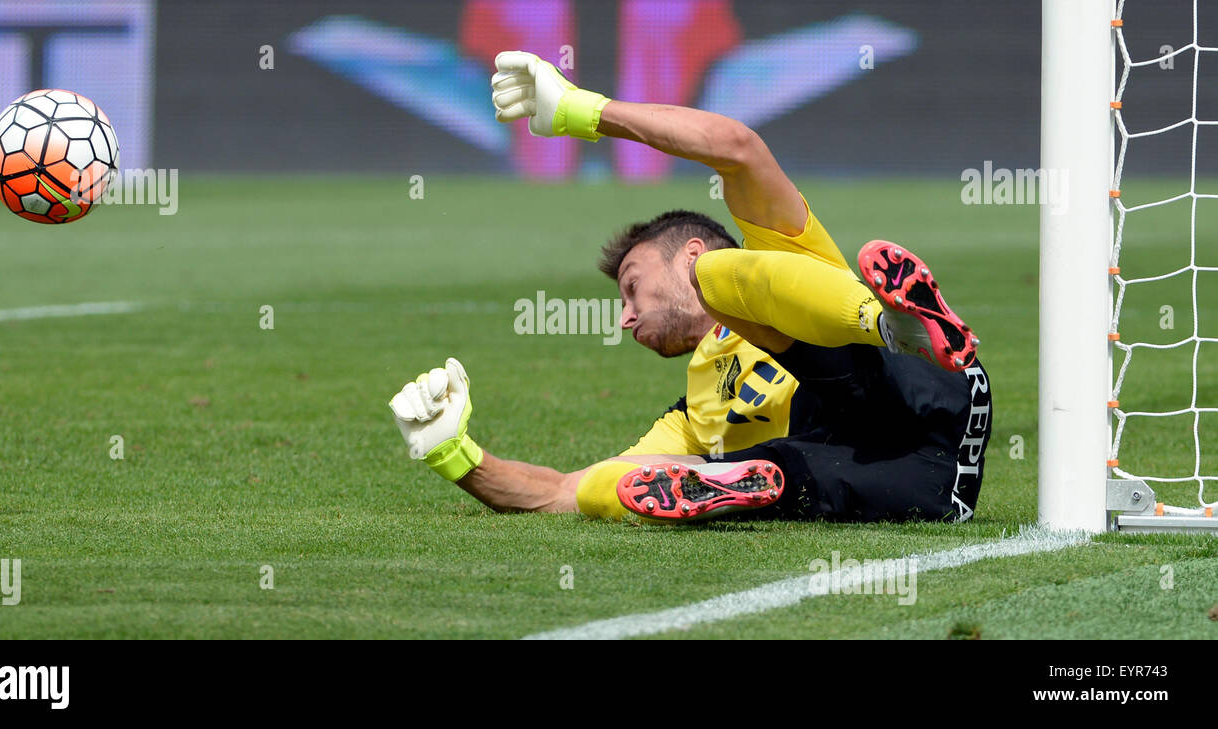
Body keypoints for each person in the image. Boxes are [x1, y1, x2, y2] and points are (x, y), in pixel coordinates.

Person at [387, 51, 991, 523]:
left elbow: (737, 149)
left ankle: (896, 324)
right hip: (917, 485)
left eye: (632, 287)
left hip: (925, 379)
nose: (624, 319)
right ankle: (730, 486)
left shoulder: (783, 258)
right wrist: (455, 454)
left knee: (730, 290)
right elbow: (563, 492)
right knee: (753, 467)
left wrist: (582, 110)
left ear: (690, 251)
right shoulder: (697, 407)